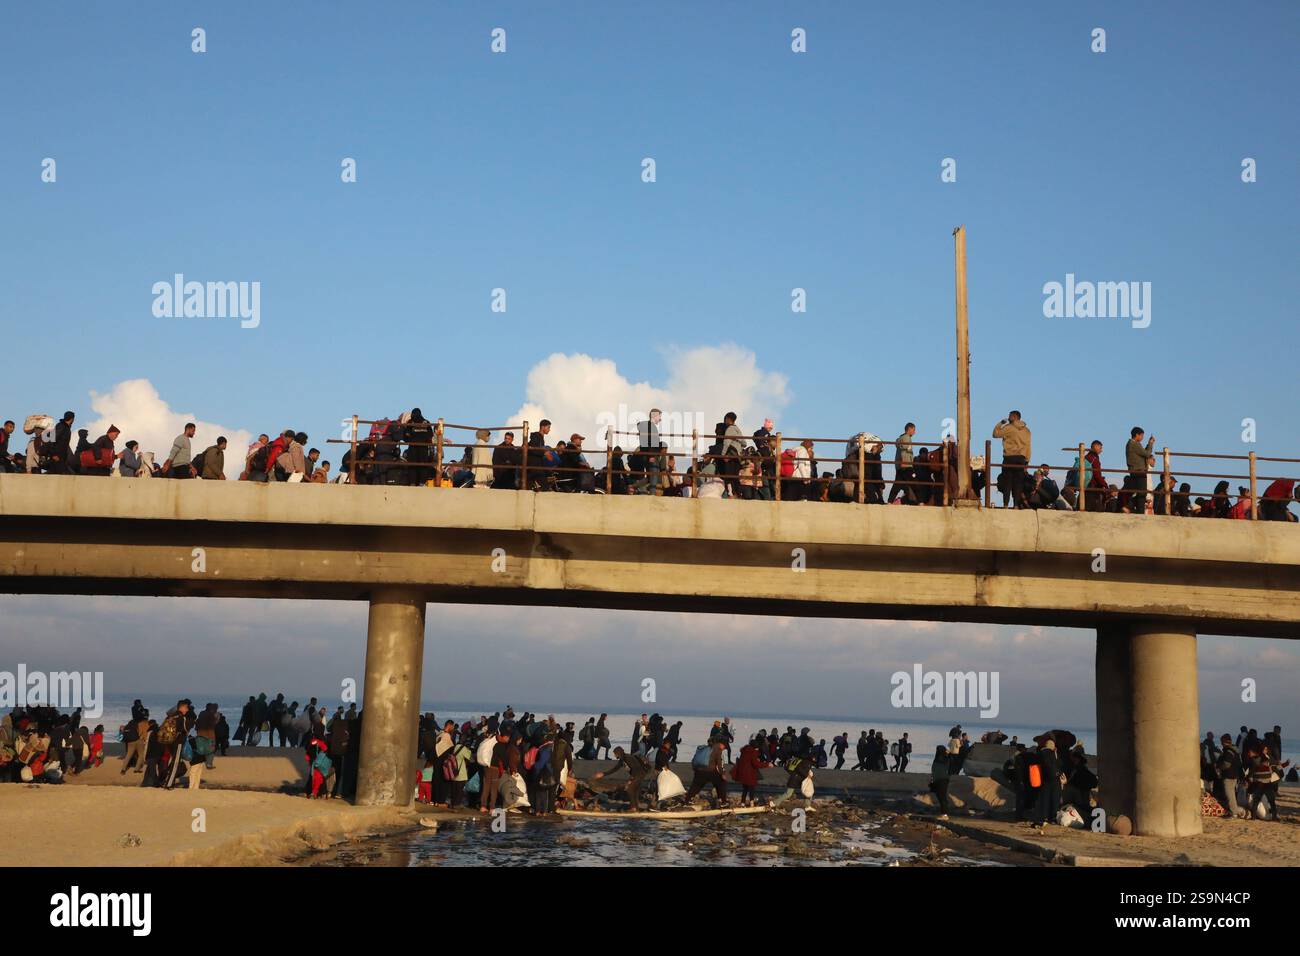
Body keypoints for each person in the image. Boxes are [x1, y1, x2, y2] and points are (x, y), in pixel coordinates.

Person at [992, 411, 1031, 508]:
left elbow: (995, 434)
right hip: (1021, 458)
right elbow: (1028, 446)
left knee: (1007, 482)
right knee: (1018, 483)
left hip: (1009, 457)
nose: (1008, 417)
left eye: (1010, 416)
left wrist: (1001, 423)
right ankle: (1016, 505)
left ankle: (1005, 504)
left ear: (1014, 417)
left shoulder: (1009, 428)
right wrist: (1027, 460)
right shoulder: (1027, 431)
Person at [593, 746, 651, 811]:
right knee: (634, 790)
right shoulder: (622, 760)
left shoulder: (628, 758)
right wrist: (603, 774)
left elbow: (636, 768)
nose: (615, 756)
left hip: (639, 774)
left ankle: (634, 807)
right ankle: (635, 807)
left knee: (630, 789)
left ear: (618, 753)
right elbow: (615, 769)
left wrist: (631, 779)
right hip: (638, 775)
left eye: (615, 754)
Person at [684, 737, 730, 808]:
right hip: (709, 771)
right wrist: (722, 774)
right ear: (721, 744)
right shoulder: (718, 749)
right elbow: (719, 764)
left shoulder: (704, 748)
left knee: (696, 786)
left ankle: (687, 800)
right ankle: (723, 802)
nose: (724, 748)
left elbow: (694, 760)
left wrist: (695, 769)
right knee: (721, 783)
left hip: (699, 770)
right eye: (724, 746)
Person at [1124, 427, 1156, 514]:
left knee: (1139, 492)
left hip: (1134, 471)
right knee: (1142, 493)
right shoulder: (1134, 444)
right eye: (1141, 435)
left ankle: (1132, 507)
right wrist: (1150, 444)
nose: (1142, 437)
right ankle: (1133, 508)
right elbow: (1147, 454)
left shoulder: (1131, 444)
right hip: (1139, 471)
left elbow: (1143, 453)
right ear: (1137, 435)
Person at [890, 423, 917, 504]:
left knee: (900, 485)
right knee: (914, 484)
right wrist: (904, 462)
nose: (915, 432)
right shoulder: (906, 438)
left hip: (901, 465)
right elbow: (904, 451)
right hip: (906, 465)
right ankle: (919, 501)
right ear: (910, 429)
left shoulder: (901, 438)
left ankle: (890, 501)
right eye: (914, 430)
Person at [929, 745, 952, 819]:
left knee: (942, 797)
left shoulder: (940, 758)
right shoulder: (945, 758)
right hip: (941, 780)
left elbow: (936, 769)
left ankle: (944, 814)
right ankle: (944, 813)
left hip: (941, 780)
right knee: (941, 797)